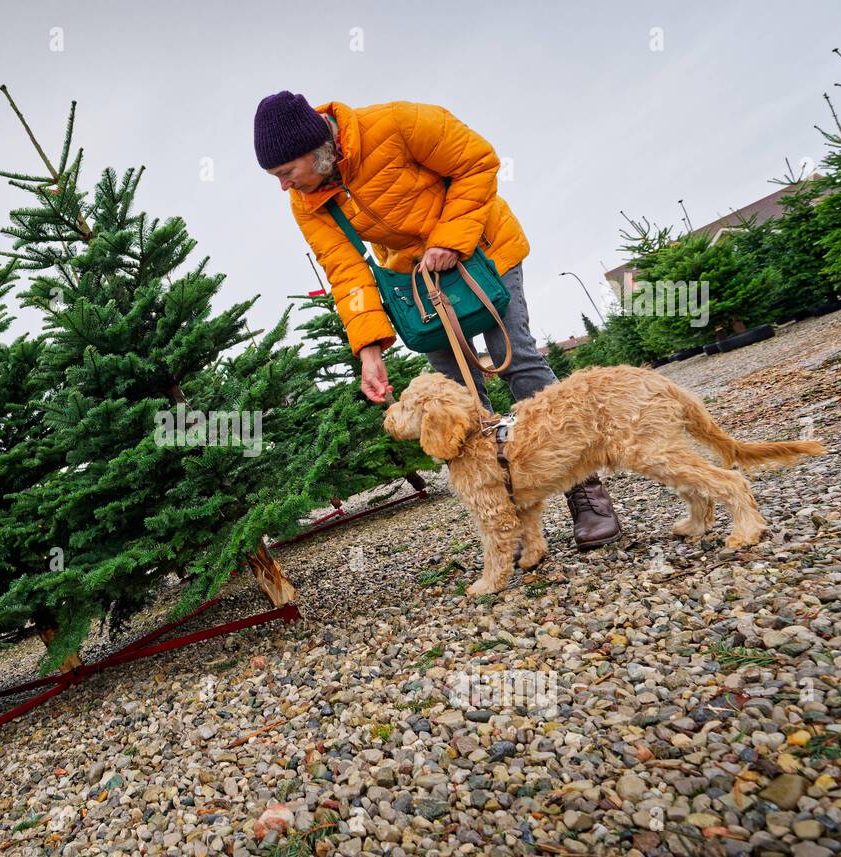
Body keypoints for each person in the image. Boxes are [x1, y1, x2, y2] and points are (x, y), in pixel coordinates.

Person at [253, 90, 621, 549]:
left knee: (517, 361)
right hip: (418, 284)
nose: (283, 186)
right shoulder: (307, 199)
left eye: (286, 172)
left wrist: (450, 238)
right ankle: (506, 515)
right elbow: (345, 270)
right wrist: (368, 349)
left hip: (484, 251)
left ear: (316, 149)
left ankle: (584, 491)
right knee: (455, 398)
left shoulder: (397, 123)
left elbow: (478, 162)